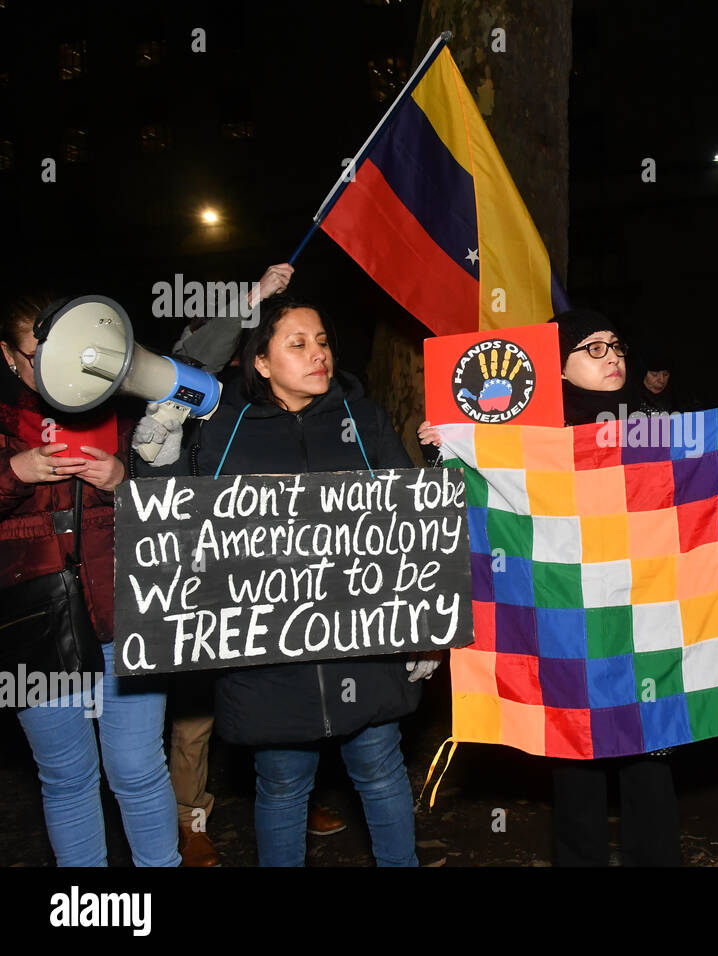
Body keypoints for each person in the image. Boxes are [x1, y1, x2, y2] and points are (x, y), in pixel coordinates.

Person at [421, 309, 718, 865]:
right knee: (575, 765)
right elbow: (483, 502)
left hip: (645, 621)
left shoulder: (652, 424)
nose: (613, 357)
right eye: (593, 348)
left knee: (649, 760)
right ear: (557, 369)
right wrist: (447, 447)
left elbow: (703, 464)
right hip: (568, 625)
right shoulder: (527, 439)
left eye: (617, 346)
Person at [138, 295, 434, 866]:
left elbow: (409, 523)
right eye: (297, 344)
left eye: (321, 341)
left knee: (381, 771)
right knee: (281, 786)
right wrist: (160, 448)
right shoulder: (222, 429)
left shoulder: (363, 419)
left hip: (363, 649)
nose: (317, 354)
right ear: (262, 363)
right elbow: (170, 521)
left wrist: (422, 620)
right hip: (268, 662)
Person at [136, 264, 349, 866]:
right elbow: (201, 350)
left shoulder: (277, 400)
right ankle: (191, 819)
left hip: (274, 569)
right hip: (210, 564)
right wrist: (253, 298)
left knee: (291, 689)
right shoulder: (197, 374)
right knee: (197, 714)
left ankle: (297, 799)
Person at [1, 293, 180, 867]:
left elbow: (182, 505)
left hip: (125, 615)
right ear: (8, 357)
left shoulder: (125, 412)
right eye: (35, 356)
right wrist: (15, 471)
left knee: (138, 768)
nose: (51, 369)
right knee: (67, 776)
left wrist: (125, 479)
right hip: (34, 623)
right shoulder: (4, 423)